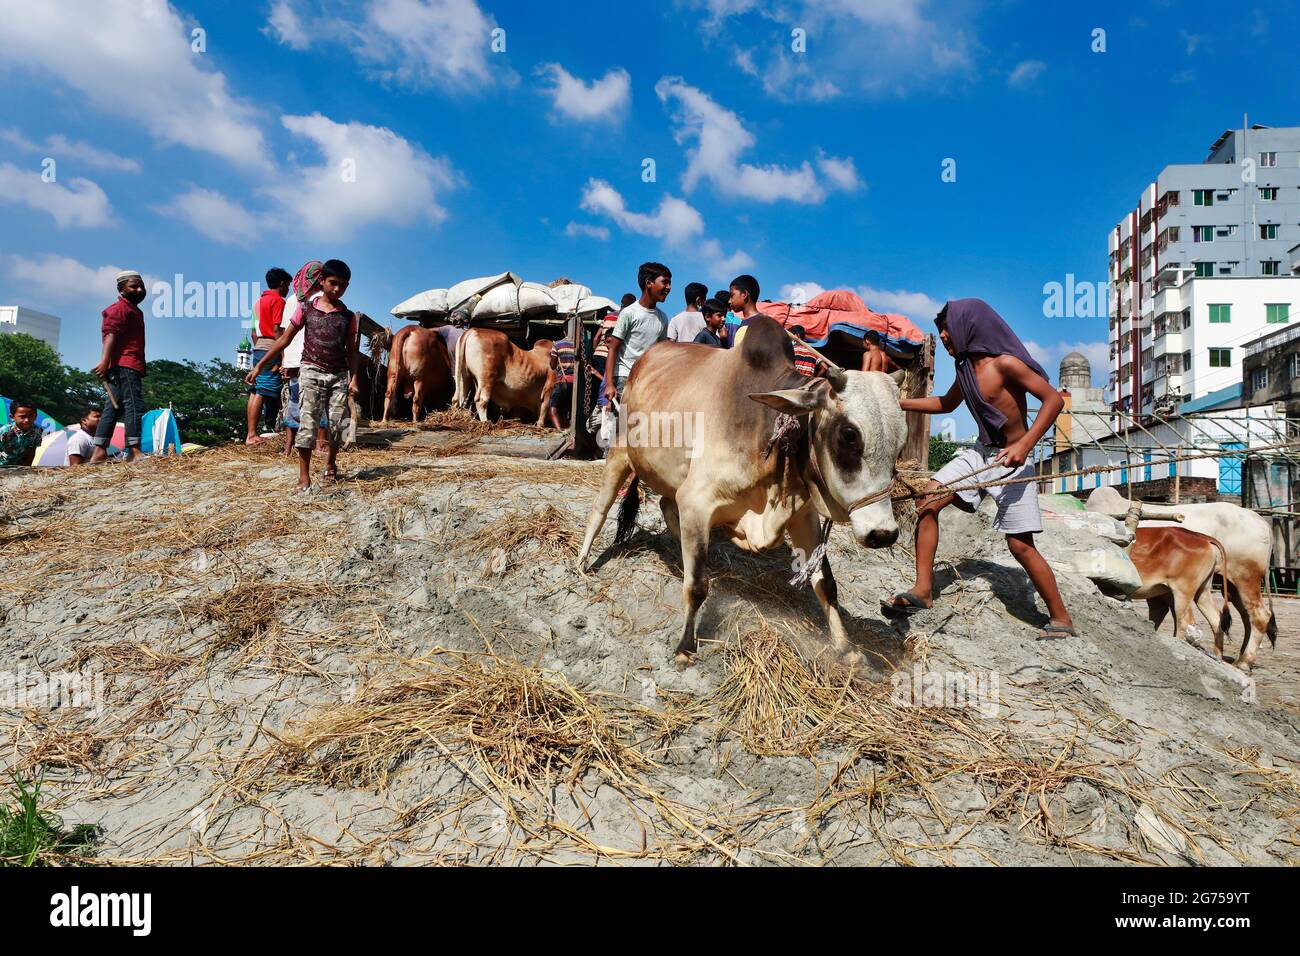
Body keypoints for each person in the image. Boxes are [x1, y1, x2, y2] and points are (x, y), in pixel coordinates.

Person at [885, 298, 1074, 640]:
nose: (942, 335)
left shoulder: (1005, 364)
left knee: (1020, 545)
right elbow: (945, 403)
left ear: (968, 326)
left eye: (947, 327)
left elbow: (1054, 400)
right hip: (980, 452)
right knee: (928, 500)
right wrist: (896, 402)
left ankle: (1061, 617)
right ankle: (923, 590)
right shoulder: (965, 369)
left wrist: (1025, 445)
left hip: (1013, 460)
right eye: (940, 329)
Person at [247, 259, 359, 492]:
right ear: (321, 281)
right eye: (333, 283)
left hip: (338, 375)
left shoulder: (348, 317)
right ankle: (304, 476)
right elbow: (284, 339)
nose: (337, 289)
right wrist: (260, 366)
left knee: (337, 424)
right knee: (307, 424)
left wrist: (354, 378)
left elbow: (352, 351)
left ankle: (330, 464)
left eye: (343, 285)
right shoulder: (306, 309)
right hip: (311, 371)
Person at [89, 270, 147, 463]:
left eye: (141, 286)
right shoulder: (120, 309)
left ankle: (99, 451)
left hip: (126, 364)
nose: (139, 290)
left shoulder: (133, 309)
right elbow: (110, 334)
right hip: (125, 365)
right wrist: (104, 361)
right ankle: (134, 450)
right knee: (133, 405)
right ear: (122, 289)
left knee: (113, 407)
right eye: (134, 286)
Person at [603, 264, 671, 405]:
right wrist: (609, 383)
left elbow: (662, 351)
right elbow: (613, 348)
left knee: (644, 423)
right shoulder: (629, 313)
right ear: (649, 283)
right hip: (625, 377)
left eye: (670, 283)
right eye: (665, 282)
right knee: (622, 423)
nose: (669, 287)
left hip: (648, 379)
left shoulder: (663, 318)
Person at [246, 267, 291, 444]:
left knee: (255, 390)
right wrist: (283, 353)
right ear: (281, 283)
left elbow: (253, 333)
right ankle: (252, 435)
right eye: (287, 285)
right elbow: (277, 329)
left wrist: (259, 347)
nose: (288, 289)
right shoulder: (278, 302)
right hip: (271, 347)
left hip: (258, 348)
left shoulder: (258, 302)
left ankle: (251, 432)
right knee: (264, 391)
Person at [725, 274, 767, 349]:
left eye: (732, 295)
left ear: (744, 294)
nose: (729, 301)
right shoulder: (741, 323)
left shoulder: (763, 323)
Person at [547, 335, 577, 429]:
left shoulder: (557, 344)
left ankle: (559, 431)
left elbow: (552, 365)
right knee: (570, 408)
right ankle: (571, 429)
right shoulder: (578, 345)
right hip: (575, 383)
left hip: (562, 381)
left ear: (564, 331)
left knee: (553, 407)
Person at [0, 400, 41, 468]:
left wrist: (27, 469)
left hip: (19, 468)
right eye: (22, 417)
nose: (27, 420)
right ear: (12, 417)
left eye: (30, 416)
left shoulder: (37, 432)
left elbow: (32, 452)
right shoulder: (4, 431)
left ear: (35, 416)